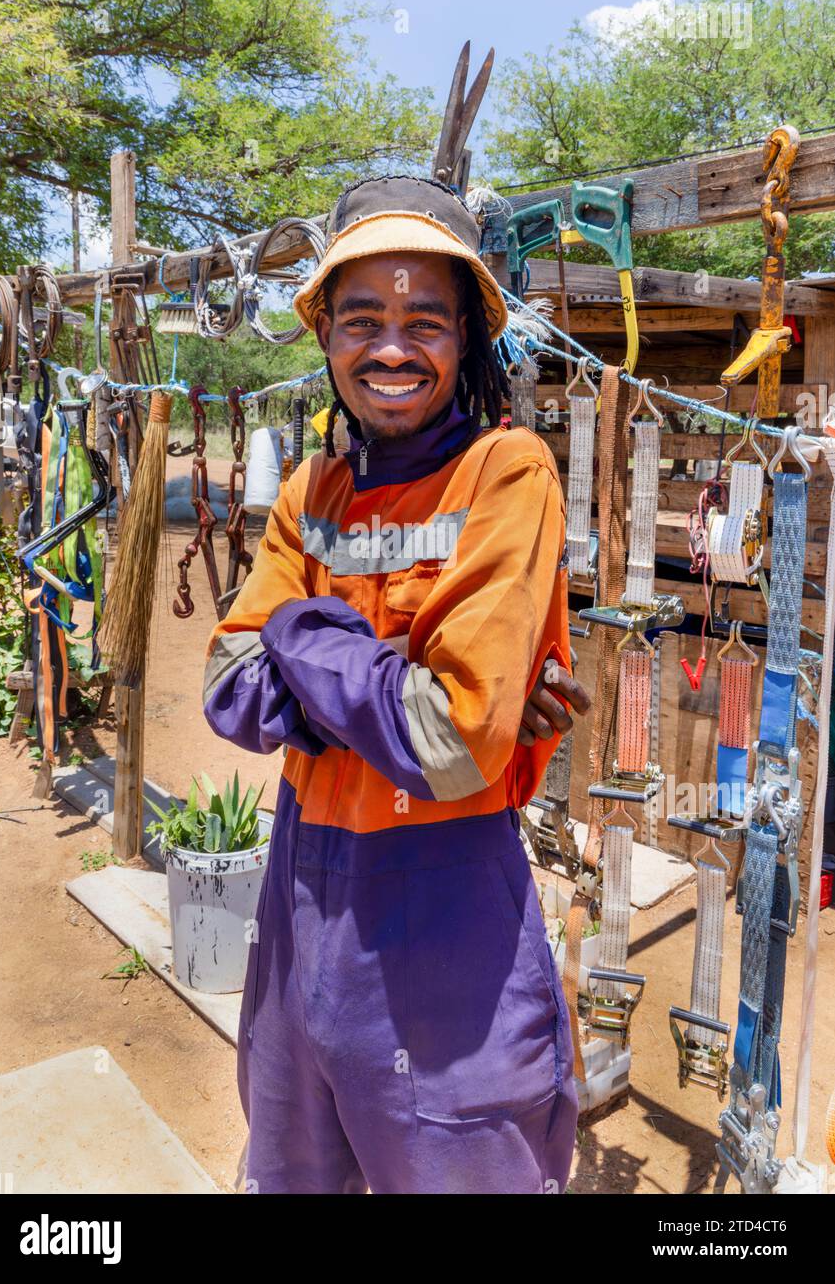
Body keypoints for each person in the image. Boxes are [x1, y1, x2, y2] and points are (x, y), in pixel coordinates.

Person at [203, 175, 590, 1194]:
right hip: (298, 913)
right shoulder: (311, 490)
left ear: (466, 339)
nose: (390, 348)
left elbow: (449, 743)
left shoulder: (505, 474)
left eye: (424, 322)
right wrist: (399, 675)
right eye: (362, 318)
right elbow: (229, 690)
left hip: (444, 912)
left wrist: (298, 627)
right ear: (325, 333)